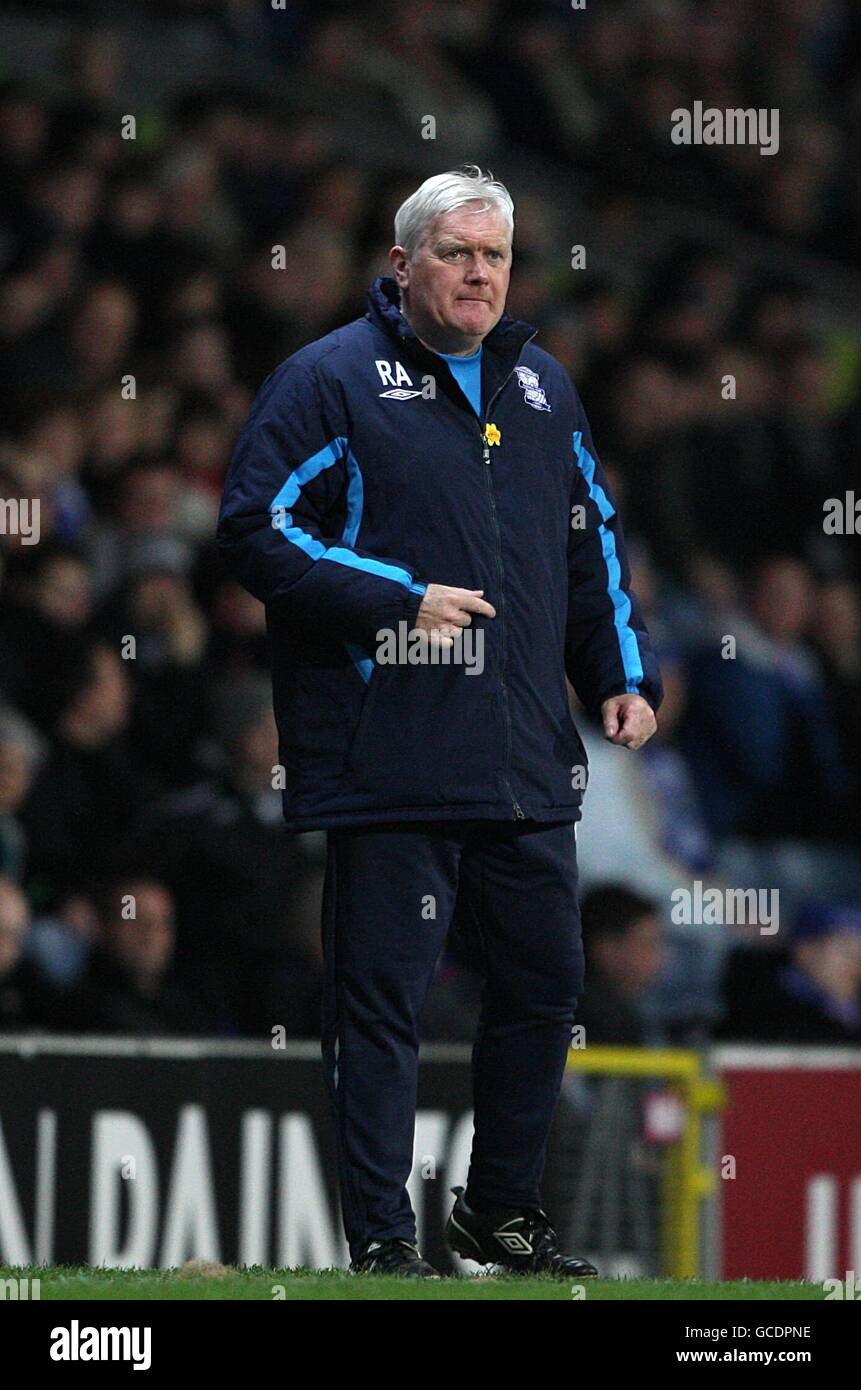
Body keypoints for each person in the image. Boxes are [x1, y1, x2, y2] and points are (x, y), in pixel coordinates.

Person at [218, 166, 662, 1278]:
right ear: (402, 263)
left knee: (546, 987)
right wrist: (396, 593)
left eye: (496, 256)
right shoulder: (331, 379)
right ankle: (380, 1233)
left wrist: (620, 670)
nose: (479, 273)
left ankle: (500, 1209)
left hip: (522, 754)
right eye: (457, 252)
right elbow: (255, 527)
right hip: (392, 746)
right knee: (382, 1005)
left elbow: (587, 539)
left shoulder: (543, 387)